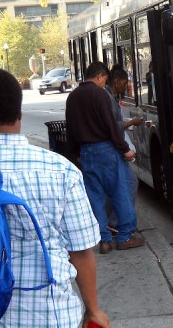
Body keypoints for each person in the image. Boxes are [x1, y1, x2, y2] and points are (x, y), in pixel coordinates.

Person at [0, 69, 110, 328]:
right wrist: (93, 310)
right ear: (20, 114)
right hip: (48, 314)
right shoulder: (60, 170)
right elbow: (80, 251)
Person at [66, 61, 144, 254]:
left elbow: (71, 129)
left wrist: (75, 154)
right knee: (120, 192)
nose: (104, 83)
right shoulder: (100, 94)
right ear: (100, 76)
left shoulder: (73, 97)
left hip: (85, 153)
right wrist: (125, 148)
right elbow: (111, 126)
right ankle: (125, 236)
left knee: (96, 198)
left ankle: (104, 241)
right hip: (106, 150)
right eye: (104, 79)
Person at [104, 66, 143, 234]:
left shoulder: (110, 96)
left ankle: (113, 223)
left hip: (110, 148)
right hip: (112, 148)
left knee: (116, 186)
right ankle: (119, 225)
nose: (125, 86)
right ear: (116, 80)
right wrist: (131, 123)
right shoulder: (107, 98)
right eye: (124, 82)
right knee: (129, 183)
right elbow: (112, 127)